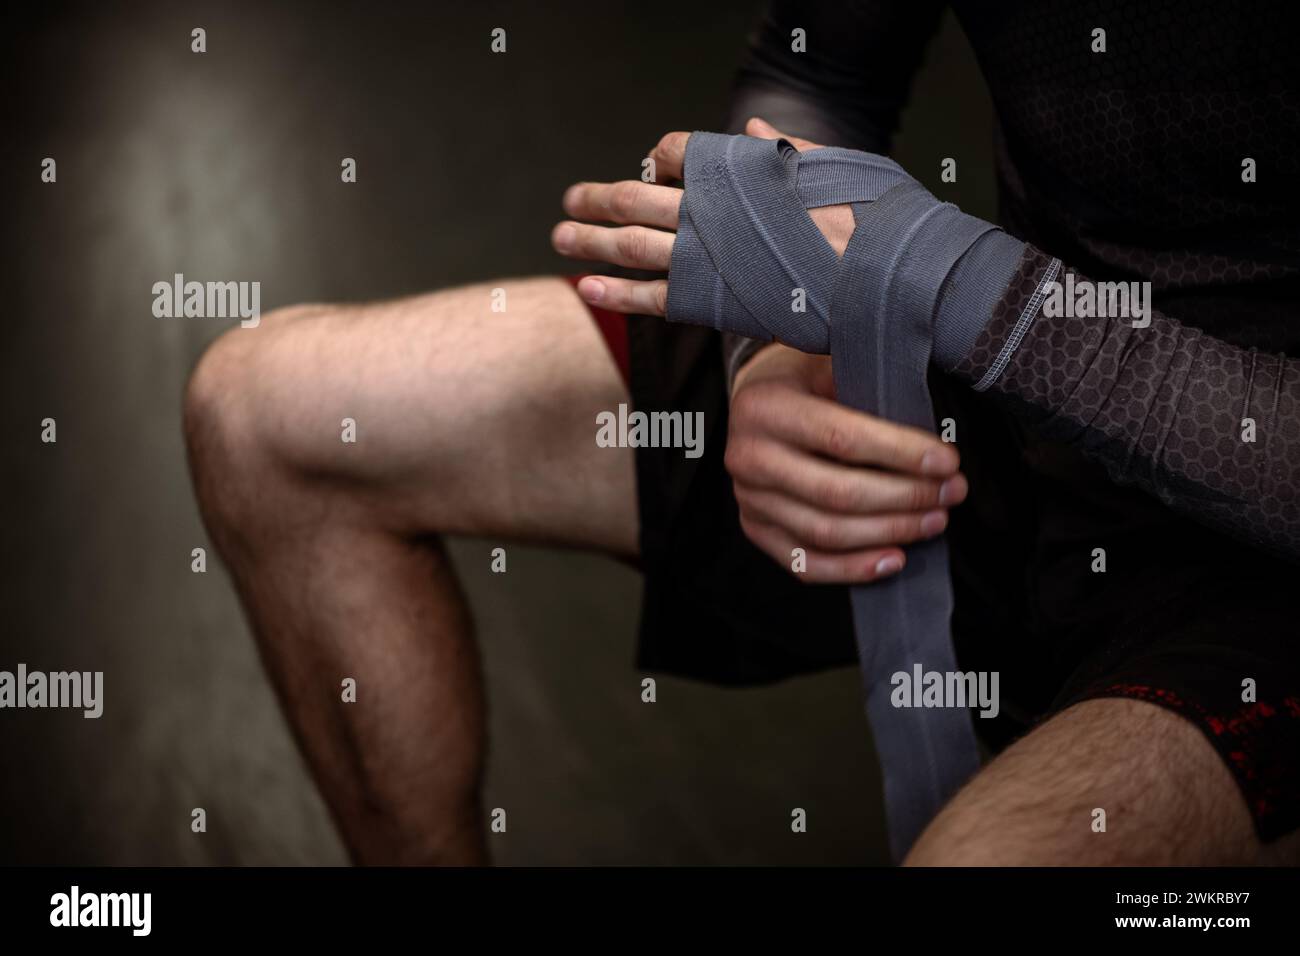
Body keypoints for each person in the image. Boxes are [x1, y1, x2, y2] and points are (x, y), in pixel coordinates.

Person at [184, 0, 1300, 864]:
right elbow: (814, 70)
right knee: (264, 413)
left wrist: (951, 287)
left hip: (1260, 562)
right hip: (1010, 401)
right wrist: (773, 344)